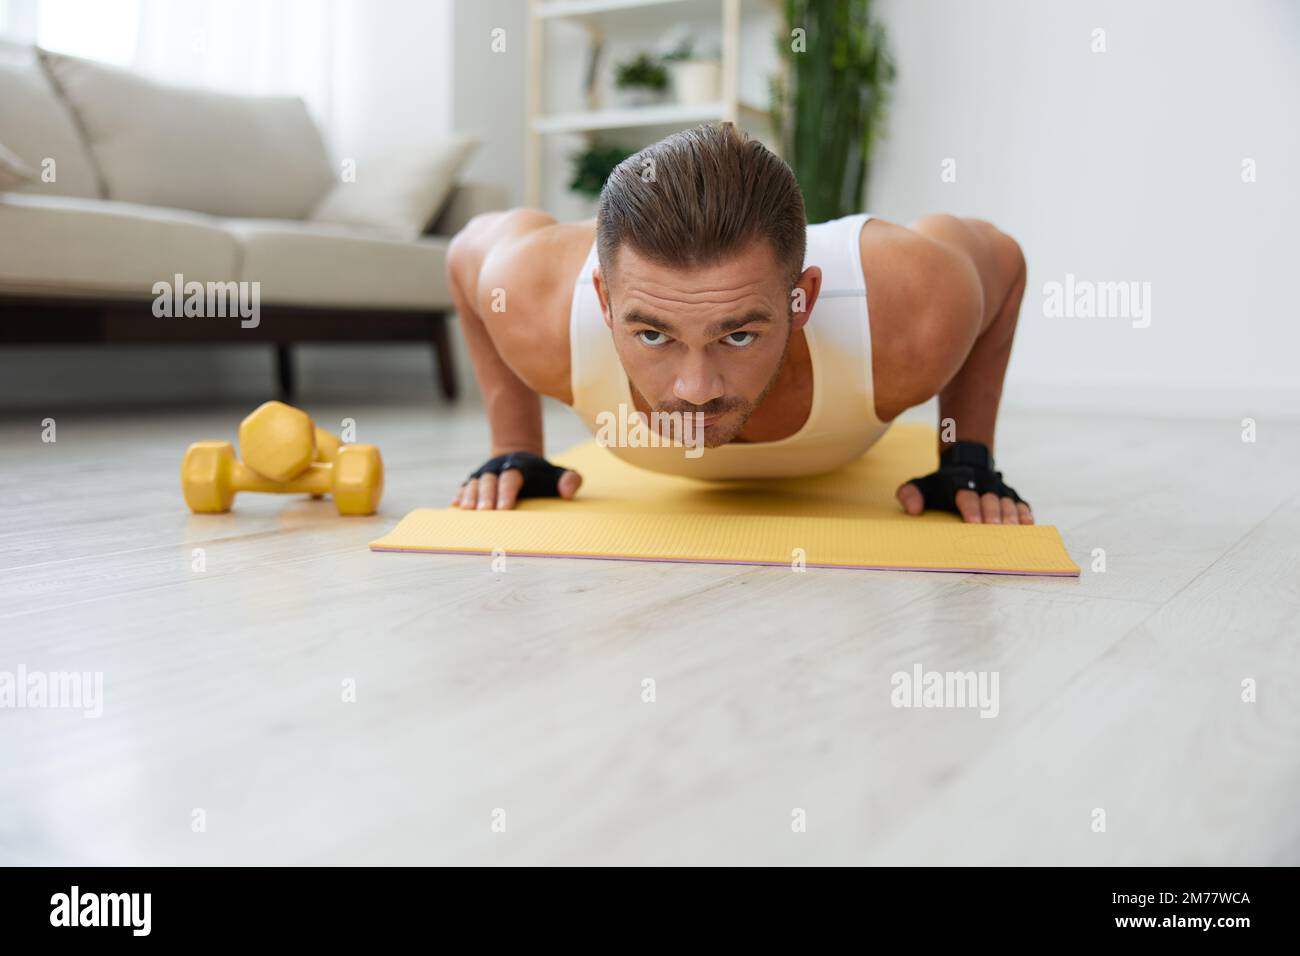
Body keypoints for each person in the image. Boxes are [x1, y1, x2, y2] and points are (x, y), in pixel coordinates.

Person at [446, 123, 1032, 525]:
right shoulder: (533, 296)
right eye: (653, 334)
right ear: (603, 300)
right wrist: (515, 444)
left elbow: (1003, 260)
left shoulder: (912, 307)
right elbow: (463, 253)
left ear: (803, 300)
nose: (696, 391)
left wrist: (966, 456)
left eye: (738, 335)